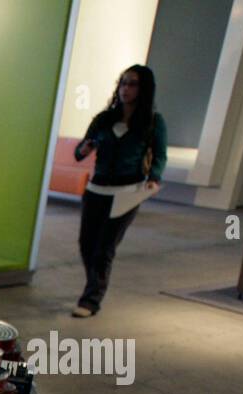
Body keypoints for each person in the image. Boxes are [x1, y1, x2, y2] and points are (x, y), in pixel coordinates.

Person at [71, 64, 167, 317]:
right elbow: (80, 152)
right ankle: (95, 282)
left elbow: (160, 155)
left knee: (105, 247)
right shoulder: (104, 119)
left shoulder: (153, 122)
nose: (126, 89)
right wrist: (85, 148)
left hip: (127, 192)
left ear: (143, 88)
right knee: (87, 244)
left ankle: (91, 300)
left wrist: (154, 178)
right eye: (123, 83)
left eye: (132, 84)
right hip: (96, 189)